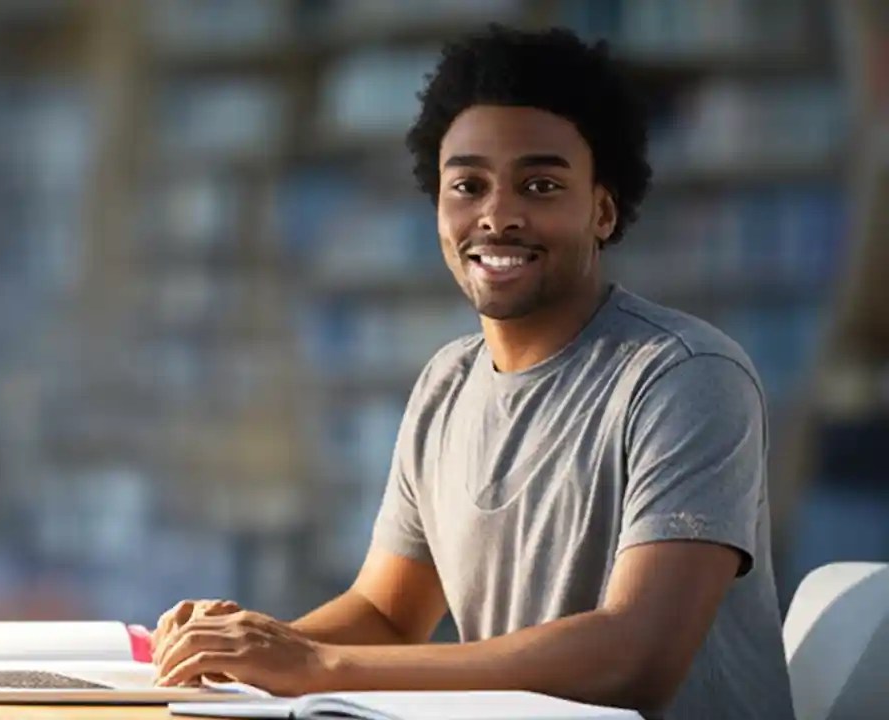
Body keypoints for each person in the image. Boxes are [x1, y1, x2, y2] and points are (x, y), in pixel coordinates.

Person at [149, 25, 795, 720]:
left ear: (602, 210)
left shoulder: (685, 377)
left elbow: (633, 658)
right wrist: (241, 648)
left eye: (541, 185)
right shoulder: (446, 385)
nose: (498, 214)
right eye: (468, 185)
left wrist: (312, 665)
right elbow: (387, 615)